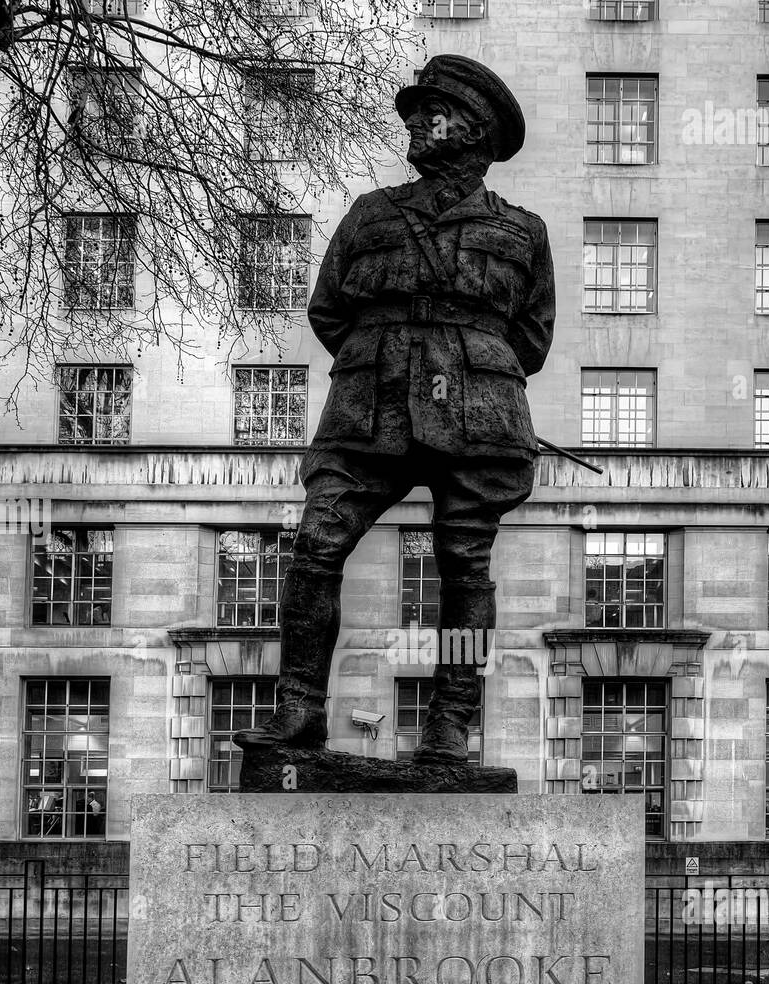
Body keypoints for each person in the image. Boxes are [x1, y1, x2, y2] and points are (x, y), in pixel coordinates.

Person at [236, 54, 555, 762]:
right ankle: (298, 710)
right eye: (413, 112)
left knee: (464, 565)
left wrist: (455, 359)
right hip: (367, 406)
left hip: (478, 412)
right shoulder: (370, 214)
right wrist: (391, 356)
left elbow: (531, 339)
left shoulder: (521, 230)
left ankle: (451, 720)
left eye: (431, 111)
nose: (415, 121)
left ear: (474, 132)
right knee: (316, 546)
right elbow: (328, 311)